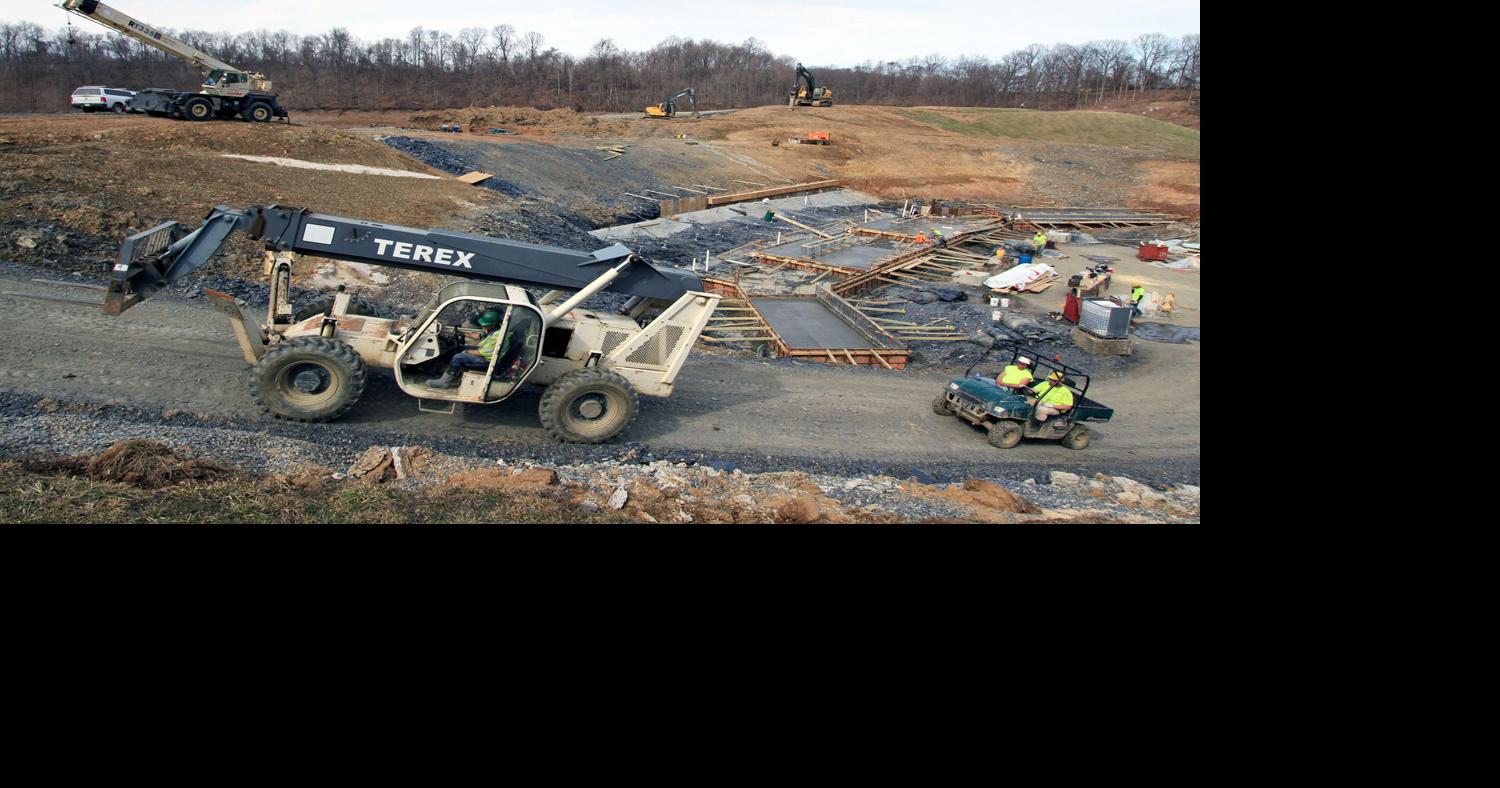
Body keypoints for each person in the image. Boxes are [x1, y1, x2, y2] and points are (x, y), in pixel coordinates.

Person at [426, 309, 505, 388]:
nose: (483, 326)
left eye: (485, 324)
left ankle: (443, 382)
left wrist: (467, 351)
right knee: (458, 349)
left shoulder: (497, 336)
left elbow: (481, 353)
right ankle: (436, 368)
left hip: (488, 360)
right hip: (484, 351)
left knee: (458, 357)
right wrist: (463, 333)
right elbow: (479, 336)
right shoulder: (493, 330)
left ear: (493, 325)